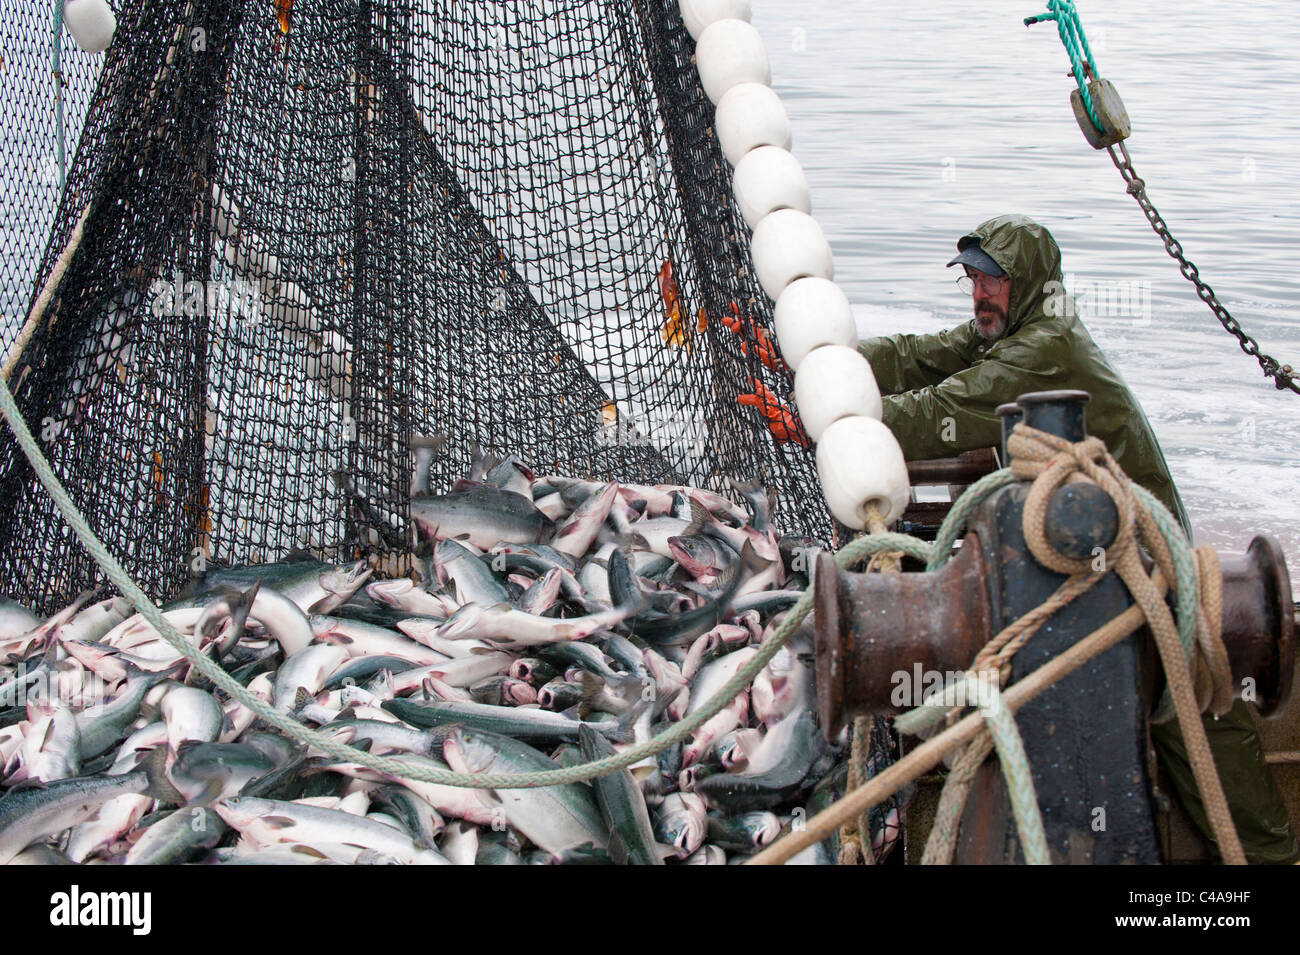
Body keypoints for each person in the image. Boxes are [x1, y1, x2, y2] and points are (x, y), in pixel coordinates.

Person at [854, 213, 1298, 865]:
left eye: (993, 281)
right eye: (973, 279)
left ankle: (1271, 855)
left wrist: (823, 418)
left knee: (1189, 700)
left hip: (1141, 546)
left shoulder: (1044, 345)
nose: (979, 293)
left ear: (1027, 283)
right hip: (1098, 537)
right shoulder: (1019, 325)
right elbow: (920, 357)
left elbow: (940, 412)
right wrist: (822, 370)